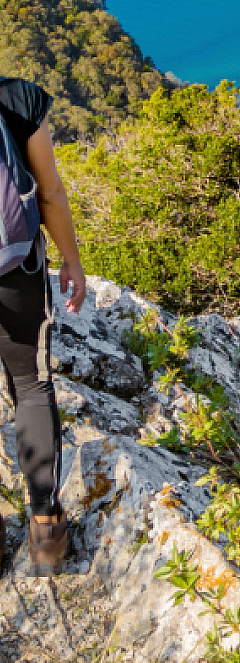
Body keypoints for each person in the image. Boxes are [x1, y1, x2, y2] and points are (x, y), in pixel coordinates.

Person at [0, 78, 86, 576]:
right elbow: (49, 191)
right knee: (32, 386)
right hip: (15, 272)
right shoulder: (19, 98)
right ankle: (46, 533)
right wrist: (71, 262)